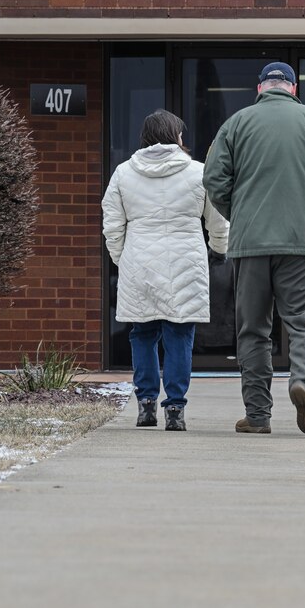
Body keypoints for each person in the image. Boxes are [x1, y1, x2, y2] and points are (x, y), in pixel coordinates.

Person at [204, 61, 305, 435]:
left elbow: (213, 178)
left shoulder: (236, 123)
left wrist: (238, 212)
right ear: (293, 89)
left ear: (260, 88)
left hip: (251, 243)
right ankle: (303, 383)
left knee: (253, 330)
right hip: (301, 243)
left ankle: (258, 415)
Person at [102, 109, 229, 432]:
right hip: (186, 262)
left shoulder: (123, 174)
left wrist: (122, 259)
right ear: (178, 137)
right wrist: (218, 250)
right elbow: (218, 221)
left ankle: (145, 404)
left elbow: (113, 227)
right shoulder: (198, 173)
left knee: (142, 334)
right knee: (180, 336)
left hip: (139, 262)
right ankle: (175, 408)